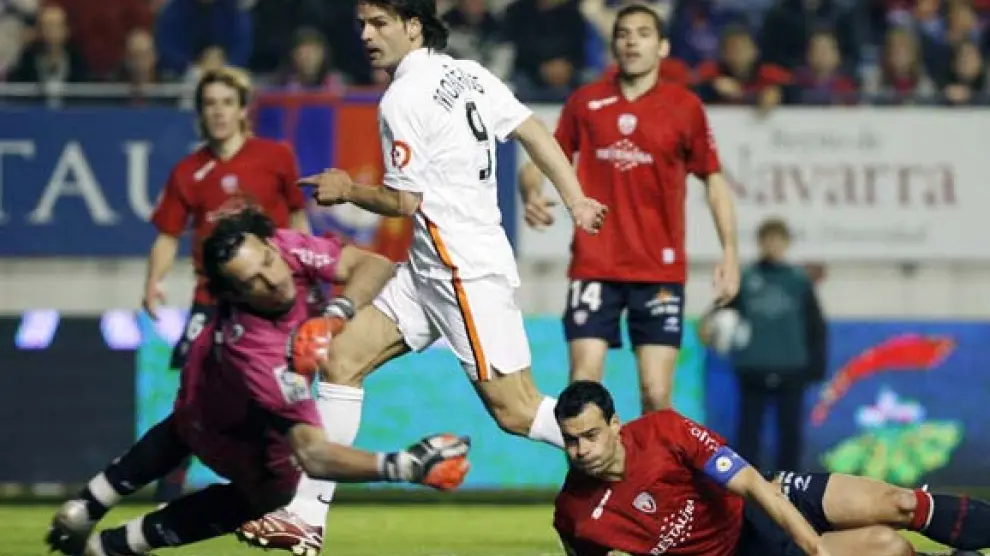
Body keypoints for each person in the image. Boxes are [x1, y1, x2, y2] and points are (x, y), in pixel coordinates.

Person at [235, 0, 608, 552]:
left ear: (413, 26)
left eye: (379, 23)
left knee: (517, 410)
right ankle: (306, 519)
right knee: (340, 360)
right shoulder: (469, 72)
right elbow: (532, 129)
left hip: (462, 270)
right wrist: (574, 198)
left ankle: (640, 463)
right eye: (362, 22)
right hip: (429, 269)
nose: (366, 34)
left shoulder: (403, 99)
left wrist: (348, 188)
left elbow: (405, 201)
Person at [46, 208, 471, 556]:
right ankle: (113, 546)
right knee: (272, 492)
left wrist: (335, 313)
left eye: (268, 261)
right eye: (253, 282)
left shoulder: (286, 249)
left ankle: (88, 506)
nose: (275, 280)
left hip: (204, 390)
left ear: (270, 244)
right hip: (221, 423)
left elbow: (373, 263)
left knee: (179, 433)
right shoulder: (259, 351)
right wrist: (404, 466)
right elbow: (315, 456)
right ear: (234, 295)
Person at [517, 3, 739, 414]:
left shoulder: (685, 107)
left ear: (663, 46)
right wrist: (529, 191)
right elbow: (540, 160)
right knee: (583, 388)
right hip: (594, 266)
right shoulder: (585, 103)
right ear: (613, 45)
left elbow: (714, 181)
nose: (632, 40)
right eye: (623, 34)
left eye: (643, 33)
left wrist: (730, 254)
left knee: (656, 396)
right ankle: (588, 480)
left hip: (658, 270)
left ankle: (650, 481)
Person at [552, 380, 989, 556]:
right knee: (888, 547)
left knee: (898, 502)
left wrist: (813, 550)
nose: (581, 450)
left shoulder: (664, 430)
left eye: (590, 435)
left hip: (767, 501)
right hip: (746, 554)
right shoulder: (575, 515)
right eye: (570, 440)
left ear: (614, 424)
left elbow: (752, 486)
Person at [142, 66, 311, 502]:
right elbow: (167, 234)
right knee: (193, 399)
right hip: (211, 303)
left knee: (276, 395)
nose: (217, 112)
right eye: (209, 104)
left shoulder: (276, 158)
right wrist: (153, 282)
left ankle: (288, 489)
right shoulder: (188, 171)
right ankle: (170, 491)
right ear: (201, 112)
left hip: (268, 303)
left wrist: (306, 273)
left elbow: (296, 220)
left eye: (226, 103)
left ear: (242, 109)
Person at [702, 217, 827, 472]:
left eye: (778, 240)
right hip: (753, 367)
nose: (773, 246)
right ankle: (747, 487)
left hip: (791, 367)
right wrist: (711, 326)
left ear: (787, 244)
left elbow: (816, 326)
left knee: (790, 431)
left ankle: (790, 485)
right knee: (749, 431)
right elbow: (716, 315)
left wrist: (817, 365)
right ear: (760, 243)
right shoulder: (746, 278)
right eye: (768, 240)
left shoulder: (799, 281)